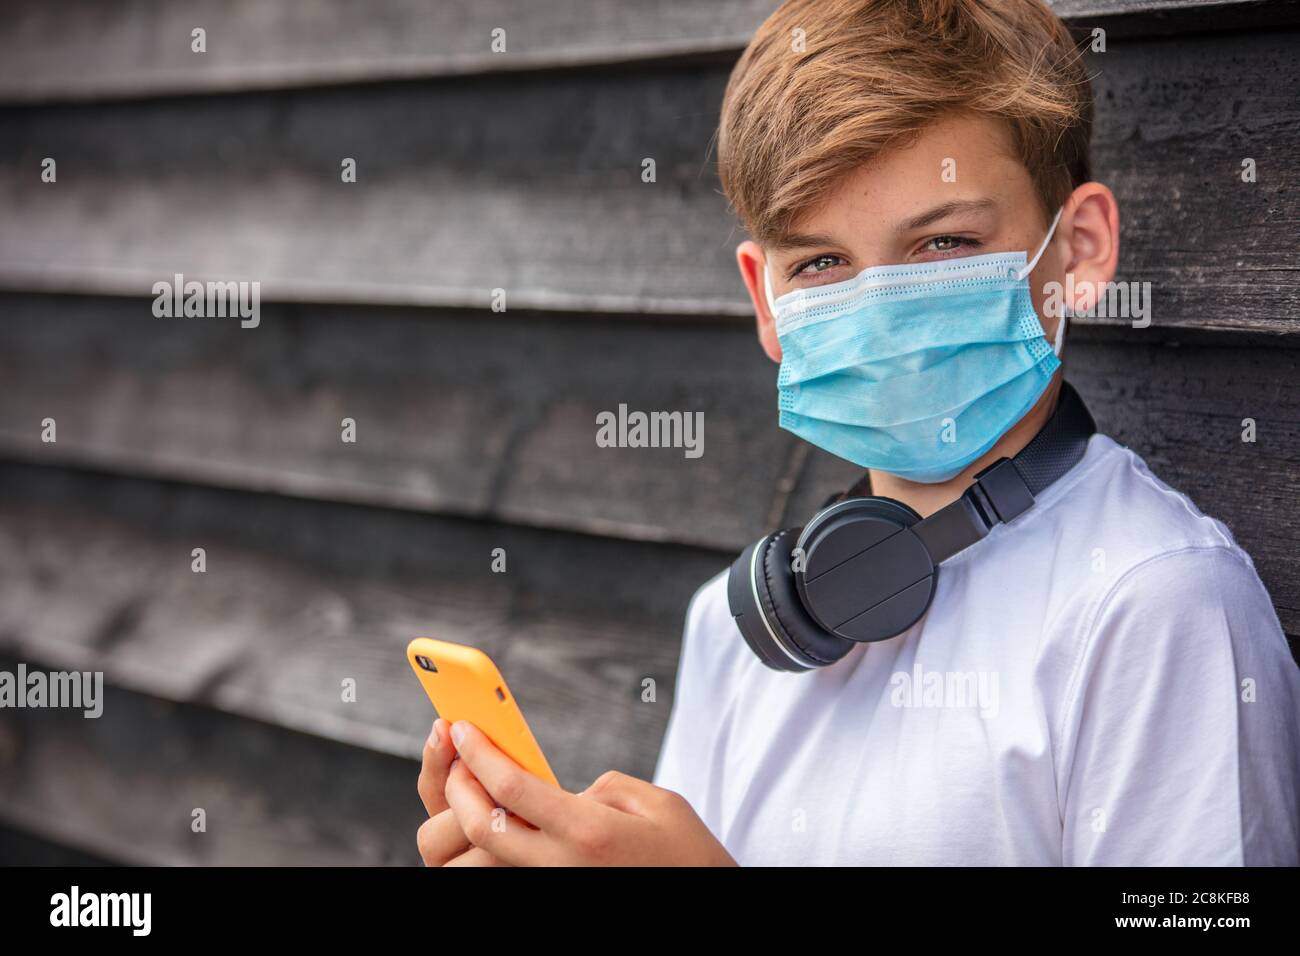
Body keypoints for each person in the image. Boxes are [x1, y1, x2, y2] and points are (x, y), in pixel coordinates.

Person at [415, 0, 1300, 866]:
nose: (880, 310)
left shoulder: (1158, 606)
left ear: (1081, 248)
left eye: (945, 244)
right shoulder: (736, 631)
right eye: (821, 262)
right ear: (767, 301)